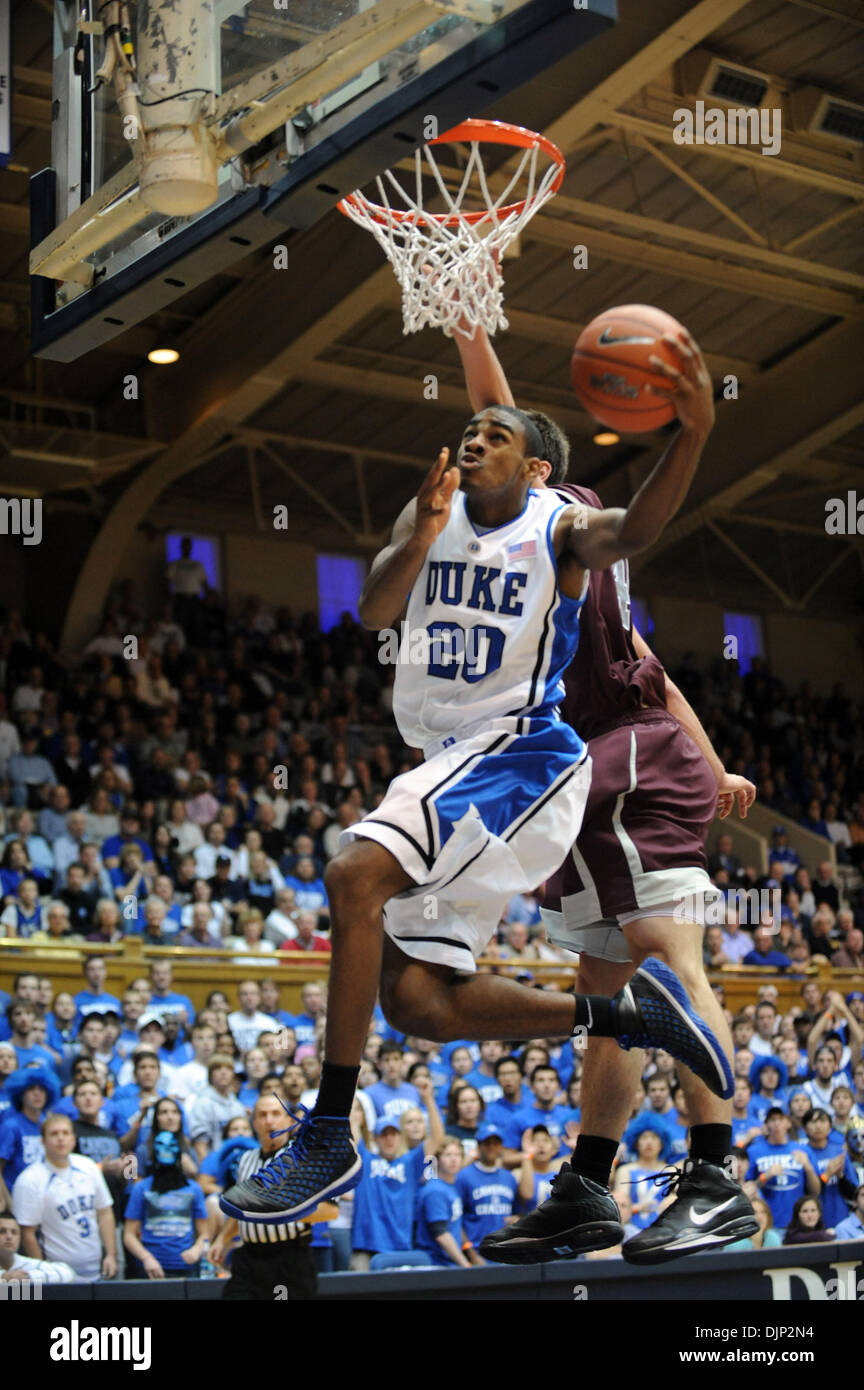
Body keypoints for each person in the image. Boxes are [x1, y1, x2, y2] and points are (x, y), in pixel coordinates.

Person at [223, 368, 733, 1224]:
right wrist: (419, 537)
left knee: (353, 876)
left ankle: (326, 1133)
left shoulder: (559, 528)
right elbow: (374, 613)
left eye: (501, 434)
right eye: (473, 428)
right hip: (447, 759)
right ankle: (624, 1013)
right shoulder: (431, 510)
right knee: (416, 1002)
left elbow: (637, 526)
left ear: (538, 468)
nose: (478, 437)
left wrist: (693, 430)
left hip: (523, 752)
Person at [210, 1094, 328, 1300]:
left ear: (290, 1121)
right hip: (249, 1258)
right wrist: (221, 1239)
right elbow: (242, 1211)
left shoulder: (305, 1159)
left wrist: (276, 1209)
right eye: (262, 1115)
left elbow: (329, 1211)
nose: (269, 1121)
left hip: (289, 1260)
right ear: (254, 1123)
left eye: (276, 1114)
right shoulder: (245, 1160)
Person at [12, 1113, 116, 1281]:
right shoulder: (29, 1180)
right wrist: (44, 1273)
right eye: (54, 1134)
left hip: (98, 1271)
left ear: (74, 1139)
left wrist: (111, 1254)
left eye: (65, 1133)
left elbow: (104, 1212)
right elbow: (27, 1234)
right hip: (60, 1276)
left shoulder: (88, 1167)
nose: (61, 1138)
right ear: (43, 1141)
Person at [123, 1129, 209, 1279]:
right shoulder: (141, 1188)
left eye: (171, 1145)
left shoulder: (194, 1188)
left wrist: (197, 1250)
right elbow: (129, 1234)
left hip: (185, 1266)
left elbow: (205, 1234)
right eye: (161, 1144)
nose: (166, 1149)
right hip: (150, 1268)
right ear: (153, 1150)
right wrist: (146, 1258)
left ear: (179, 1150)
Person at [746, 1108, 821, 1236]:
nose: (776, 1123)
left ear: (788, 1123)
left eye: (781, 1119)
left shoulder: (803, 1150)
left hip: (799, 1224)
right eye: (772, 1120)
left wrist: (808, 1167)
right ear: (766, 1124)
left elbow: (816, 1191)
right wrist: (764, 1177)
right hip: (767, 1224)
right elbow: (747, 1190)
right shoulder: (753, 1151)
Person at [456, 1123, 518, 1259]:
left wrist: (515, 1220)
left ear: (501, 1147)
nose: (491, 1147)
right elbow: (456, 1219)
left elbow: (517, 1213)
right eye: (487, 1143)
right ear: (479, 1146)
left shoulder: (509, 1178)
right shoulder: (464, 1177)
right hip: (477, 1251)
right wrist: (470, 1253)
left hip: (505, 1252)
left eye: (496, 1143)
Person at [415, 1138, 472, 1268]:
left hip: (450, 1263)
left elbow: (454, 1225)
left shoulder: (451, 1187)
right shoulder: (435, 1190)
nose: (454, 1159)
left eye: (457, 1155)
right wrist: (466, 1265)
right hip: (436, 1264)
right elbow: (441, 1234)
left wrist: (469, 1252)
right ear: (438, 1159)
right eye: (448, 1155)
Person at [0, 1211, 77, 1286]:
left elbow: (68, 1273)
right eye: (2, 1231)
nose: (9, 1237)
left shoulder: (27, 1264)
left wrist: (28, 1277)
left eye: (14, 1232)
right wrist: (3, 1277)